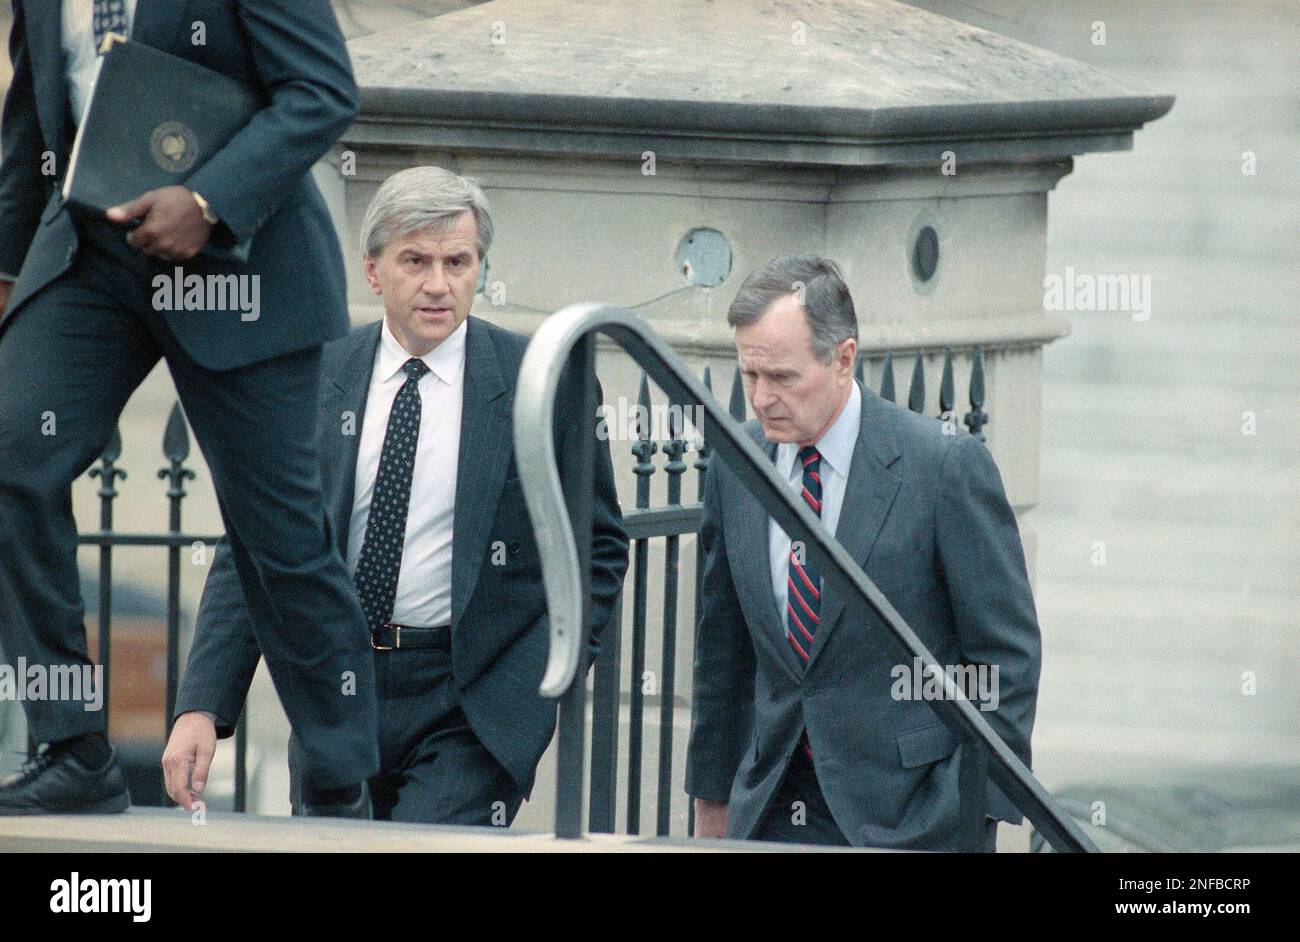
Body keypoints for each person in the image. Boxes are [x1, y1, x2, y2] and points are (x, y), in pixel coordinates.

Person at [0, 0, 380, 817]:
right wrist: (6, 278)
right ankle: (73, 748)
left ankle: (345, 789)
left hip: (239, 263)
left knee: (281, 540)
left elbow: (321, 90)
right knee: (9, 455)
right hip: (87, 257)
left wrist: (206, 201)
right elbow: (32, 114)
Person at [163, 167, 629, 825]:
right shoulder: (311, 377)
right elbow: (253, 543)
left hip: (470, 705)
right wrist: (202, 706)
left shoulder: (544, 382)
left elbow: (598, 549)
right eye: (416, 260)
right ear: (374, 271)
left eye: (457, 262)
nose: (439, 283)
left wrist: (536, 687)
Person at [685, 255, 1042, 850]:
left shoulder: (943, 467)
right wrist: (713, 804)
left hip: (909, 817)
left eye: (783, 377)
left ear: (843, 358)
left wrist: (967, 805)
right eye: (750, 376)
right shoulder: (736, 463)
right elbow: (722, 655)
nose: (762, 397)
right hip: (770, 807)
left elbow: (1006, 658)